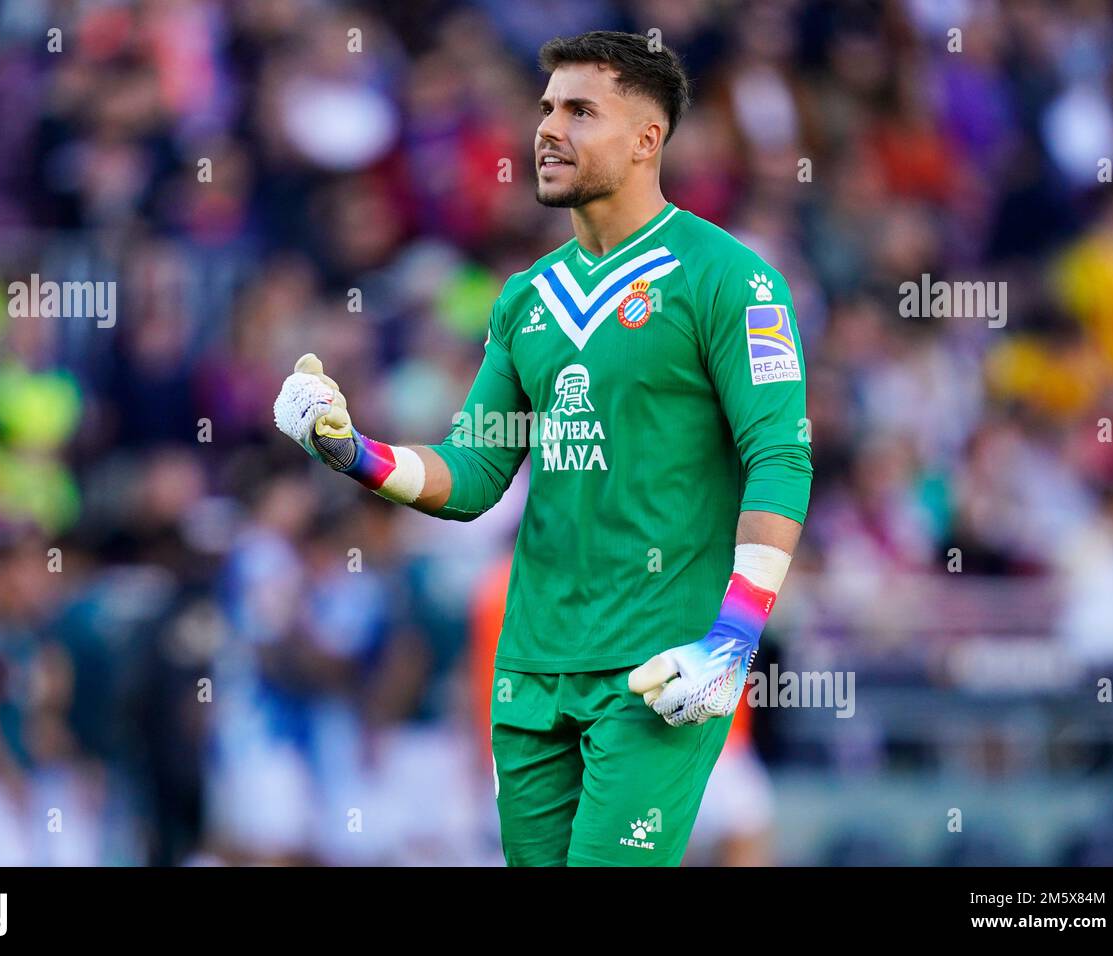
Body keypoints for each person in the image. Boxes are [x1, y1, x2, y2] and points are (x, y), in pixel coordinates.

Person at [273, 31, 811, 866]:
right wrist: (354, 453)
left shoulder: (729, 279)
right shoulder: (526, 298)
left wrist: (736, 637)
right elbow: (476, 470)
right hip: (530, 667)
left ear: (647, 140)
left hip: (657, 667)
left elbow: (782, 457)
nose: (549, 129)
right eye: (547, 108)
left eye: (580, 111)